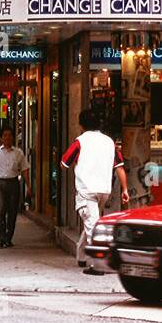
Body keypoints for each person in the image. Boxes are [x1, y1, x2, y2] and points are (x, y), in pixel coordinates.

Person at [61, 109, 129, 276]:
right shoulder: (109, 142)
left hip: (86, 190)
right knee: (92, 221)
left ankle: (99, 264)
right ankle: (81, 255)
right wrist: (125, 189)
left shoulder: (80, 142)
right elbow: (119, 167)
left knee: (93, 226)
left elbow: (64, 163)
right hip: (104, 190)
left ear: (81, 125)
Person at [0, 127, 29, 248]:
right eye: (5, 135)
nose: (7, 138)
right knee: (1, 209)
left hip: (13, 182)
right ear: (1, 138)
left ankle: (8, 238)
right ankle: (0, 237)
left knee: (12, 211)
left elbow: (25, 170)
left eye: (10, 135)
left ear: (13, 137)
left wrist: (28, 186)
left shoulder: (18, 153)